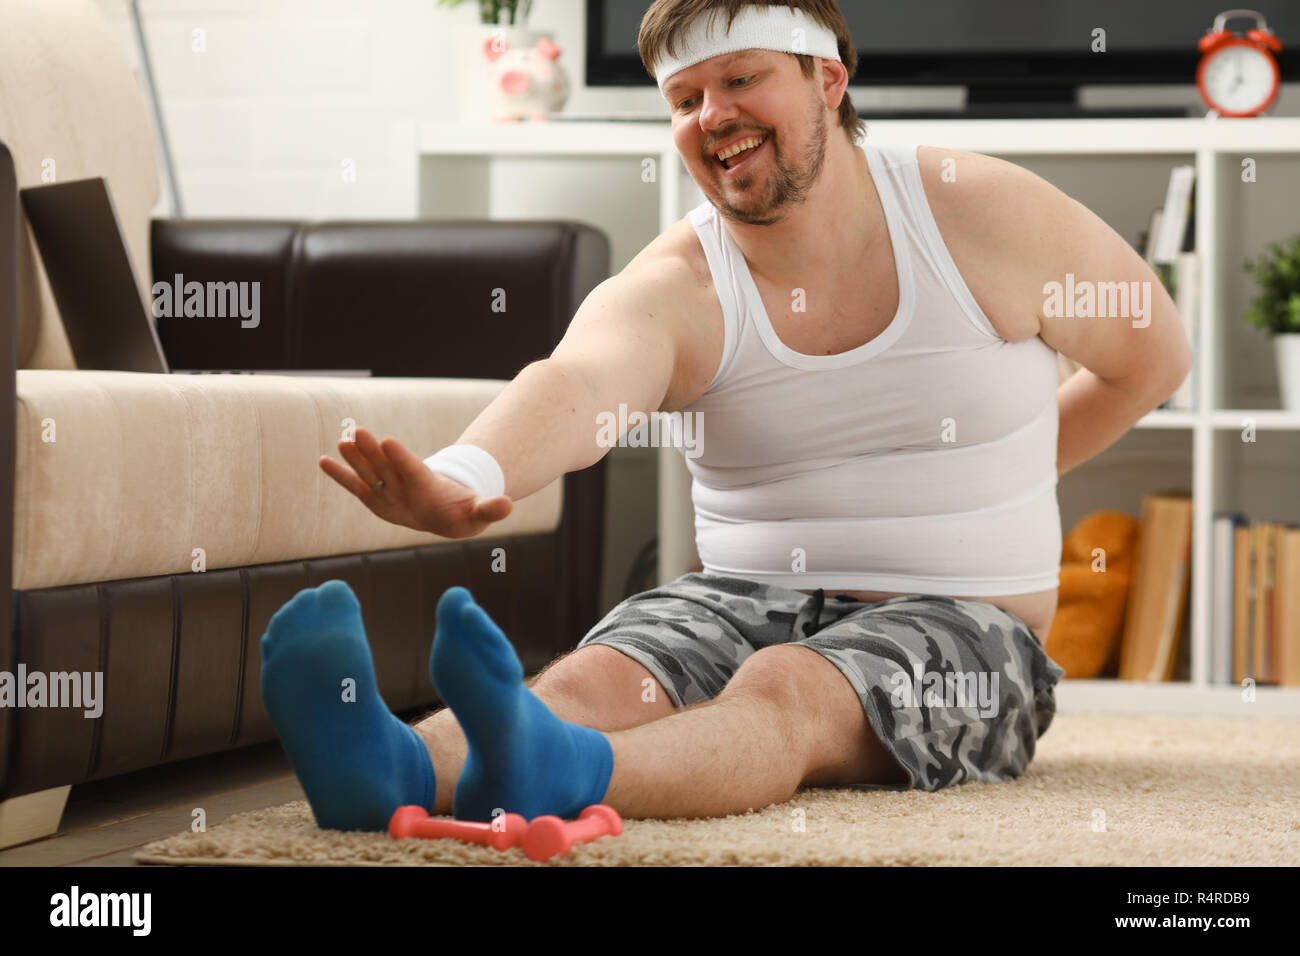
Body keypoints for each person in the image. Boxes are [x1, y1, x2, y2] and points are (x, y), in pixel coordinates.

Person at [263, 0, 1192, 831]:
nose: (713, 117)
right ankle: (394, 768)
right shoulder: (681, 281)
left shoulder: (982, 213)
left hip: (966, 631)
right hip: (742, 593)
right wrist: (467, 475)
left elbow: (1152, 359)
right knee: (592, 679)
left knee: (785, 688)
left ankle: (569, 773)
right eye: (684, 98)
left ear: (828, 77)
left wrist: (1017, 472)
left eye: (741, 78)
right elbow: (580, 385)